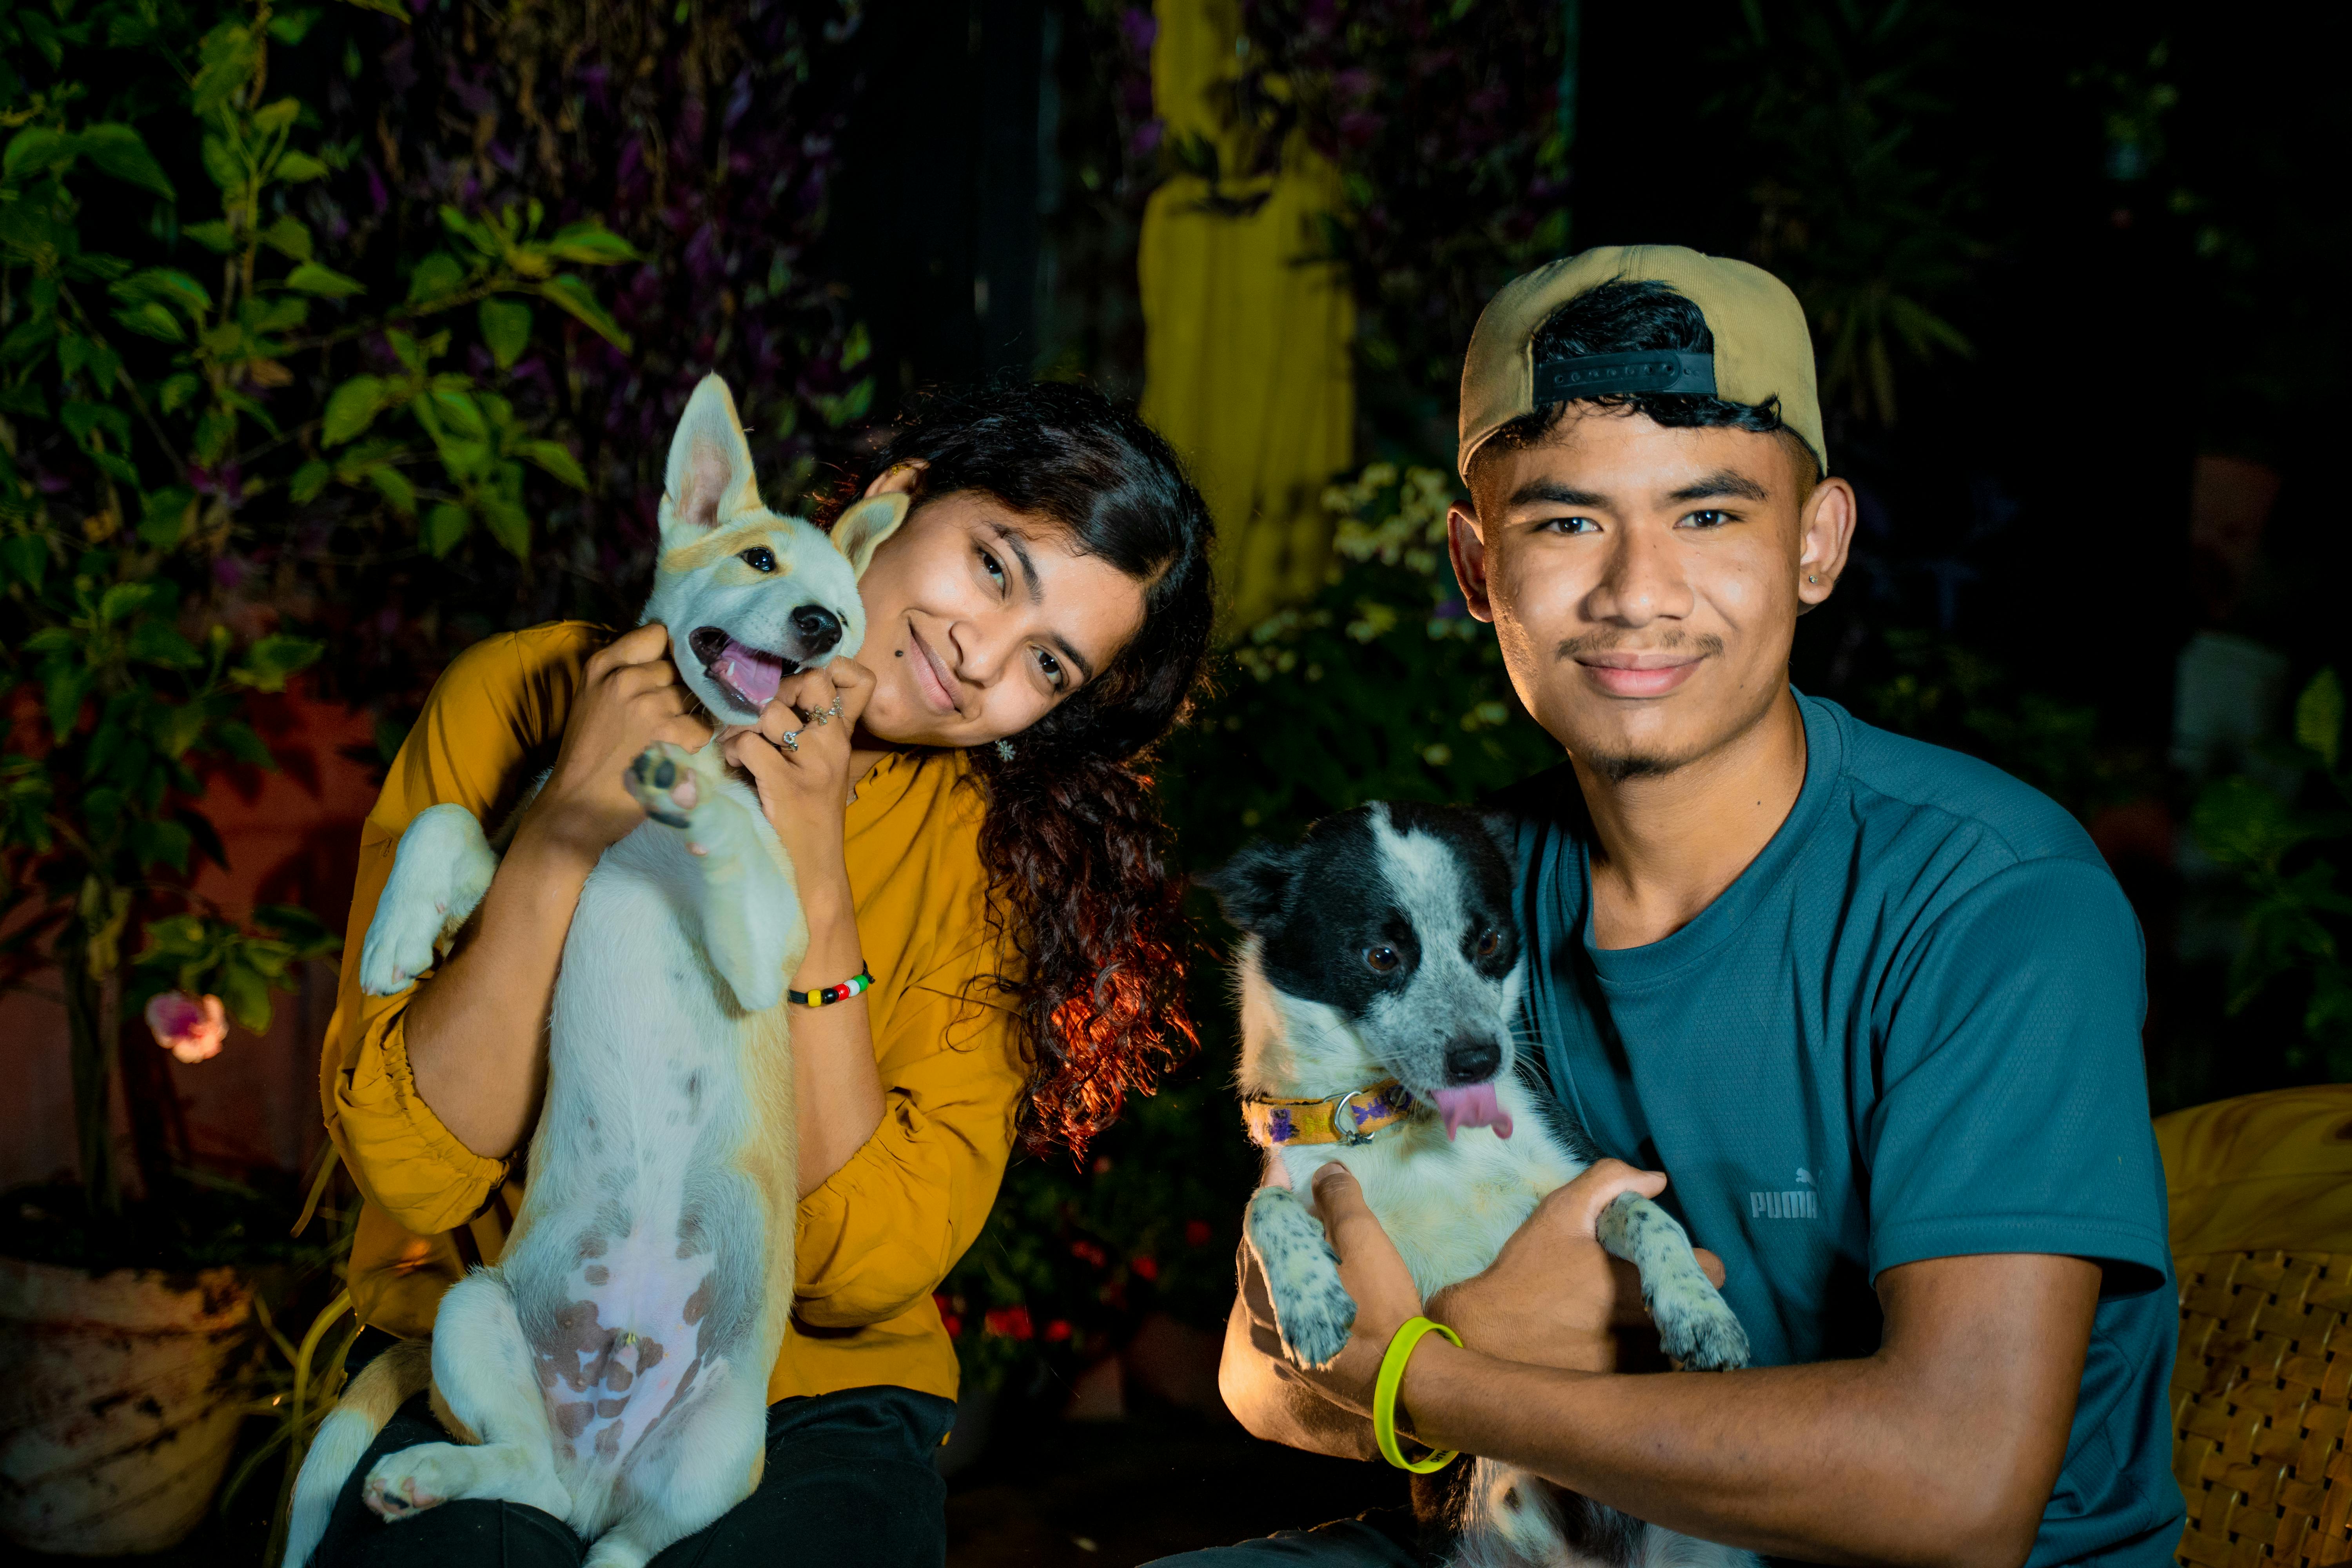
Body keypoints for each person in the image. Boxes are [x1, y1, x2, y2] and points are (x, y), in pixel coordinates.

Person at [1162, 247, 2180, 1568]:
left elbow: (1958, 1487)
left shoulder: (1988, 897)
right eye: (1566, 522)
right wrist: (1460, 1346)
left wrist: (1445, 1371)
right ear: (1475, 567)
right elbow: (1263, 1372)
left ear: (1816, 544)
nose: (1638, 592)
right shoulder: (1469, 901)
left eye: (1707, 516)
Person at [312, 381, 1214, 1568]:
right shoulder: (526, 691)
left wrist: (817, 879)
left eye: (1049, 665)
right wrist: (565, 826)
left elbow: (862, 1271)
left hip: (808, 1400)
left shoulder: (989, 873)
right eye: (995, 568)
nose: (979, 653)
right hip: (500, 1351)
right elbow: (415, 1166)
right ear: (895, 503)